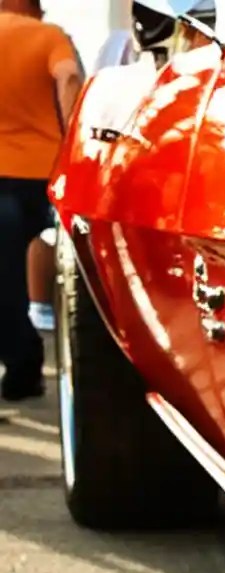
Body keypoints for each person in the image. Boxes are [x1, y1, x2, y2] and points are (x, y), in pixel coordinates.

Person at [0, 0, 83, 401]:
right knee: (11, 265)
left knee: (6, 267)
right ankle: (22, 361)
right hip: (33, 172)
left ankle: (22, 361)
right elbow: (67, 78)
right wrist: (73, 141)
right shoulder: (47, 36)